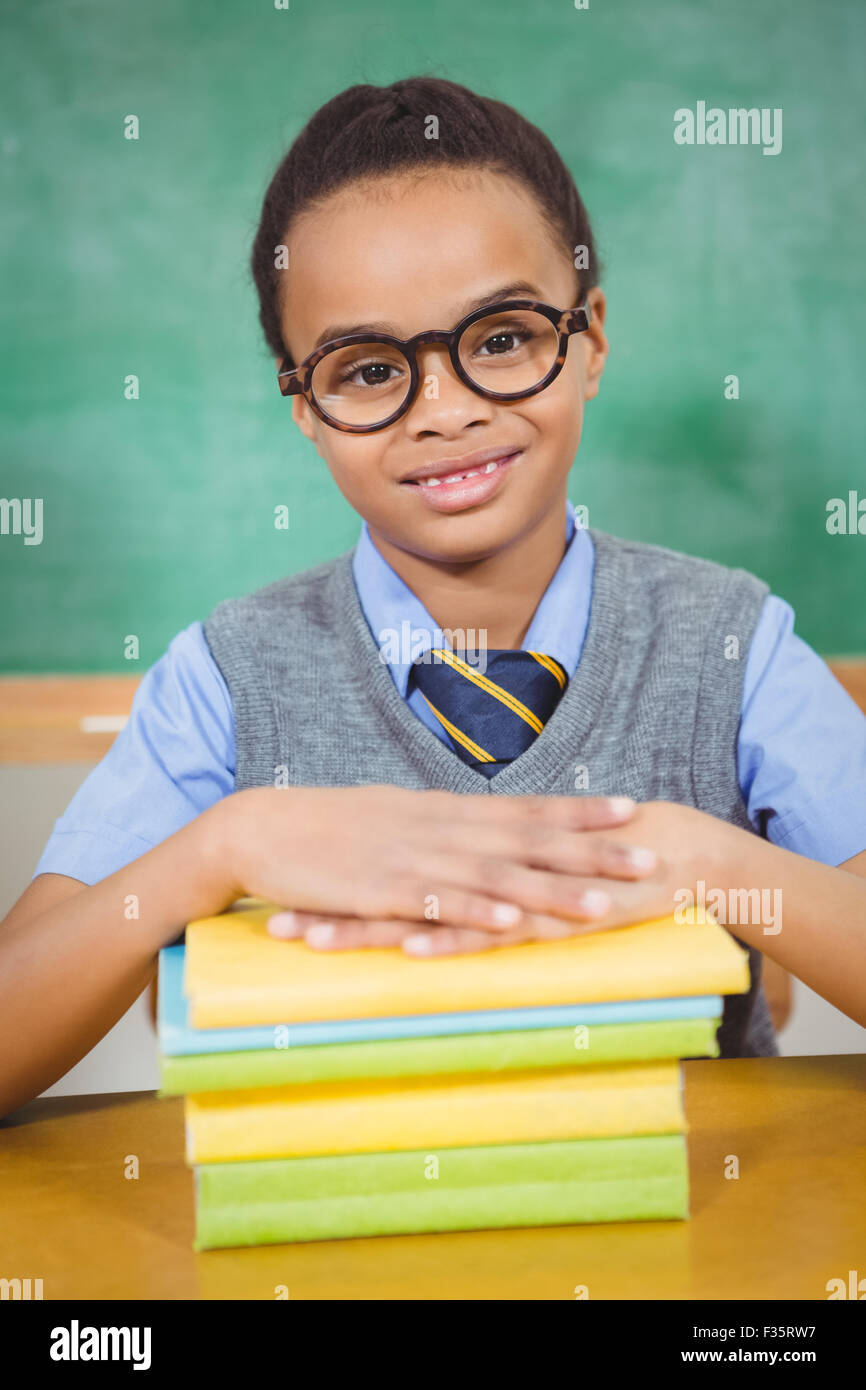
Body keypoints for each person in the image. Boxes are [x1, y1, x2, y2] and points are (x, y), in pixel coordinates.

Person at [3, 76, 865, 1119]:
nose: (445, 409)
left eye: (500, 338)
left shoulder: (732, 646)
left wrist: (706, 862)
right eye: (366, 369)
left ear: (586, 339)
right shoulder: (225, 681)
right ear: (302, 408)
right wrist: (219, 849)